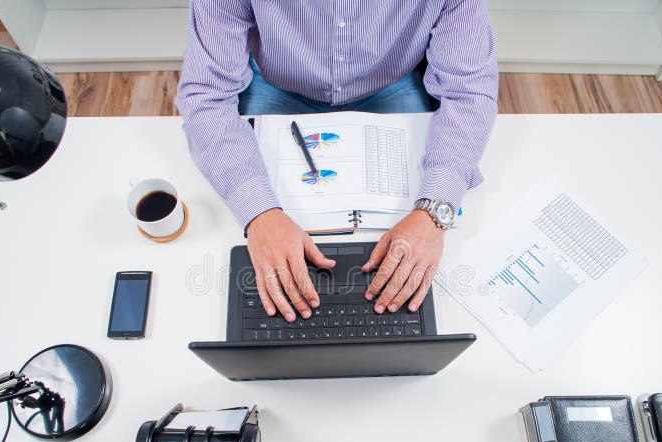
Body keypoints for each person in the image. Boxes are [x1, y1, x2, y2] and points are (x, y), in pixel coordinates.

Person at [176, 1, 498, 322]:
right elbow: (207, 98)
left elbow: (469, 93)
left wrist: (435, 211)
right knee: (238, 241)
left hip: (389, 82)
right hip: (278, 84)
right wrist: (258, 212)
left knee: (427, 262)